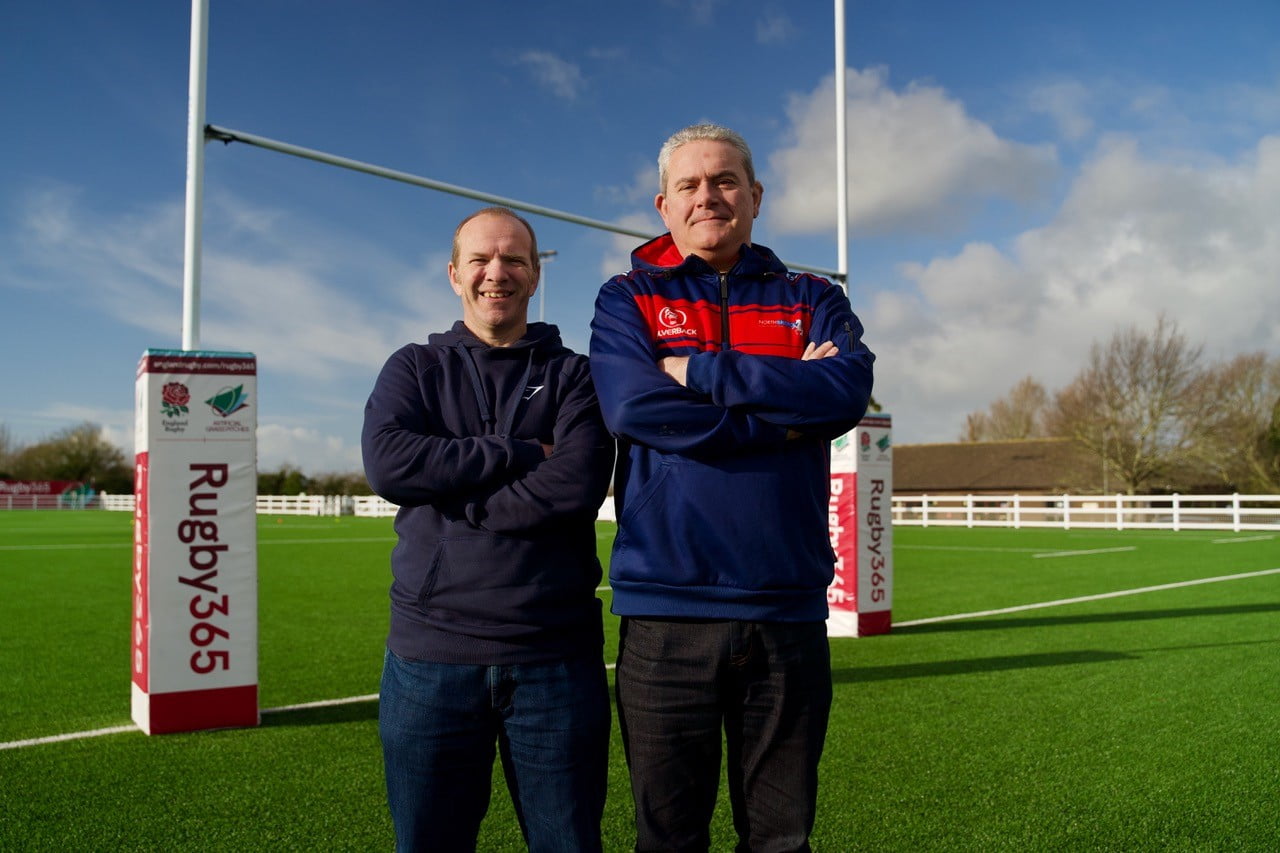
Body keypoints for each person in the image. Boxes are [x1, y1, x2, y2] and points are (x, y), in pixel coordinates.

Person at [589, 124, 876, 852]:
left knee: (781, 839)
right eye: (688, 184)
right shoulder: (628, 297)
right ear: (664, 203)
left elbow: (844, 392)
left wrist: (702, 372)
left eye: (723, 181)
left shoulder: (812, 294)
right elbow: (634, 409)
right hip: (665, 611)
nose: (707, 196)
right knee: (669, 838)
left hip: (786, 609)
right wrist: (783, 419)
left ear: (755, 195)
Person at [363, 206, 615, 853]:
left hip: (555, 659)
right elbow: (391, 463)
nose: (495, 272)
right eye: (479, 259)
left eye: (512, 260)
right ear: (454, 274)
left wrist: (451, 494)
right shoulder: (413, 368)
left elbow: (575, 489)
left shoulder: (576, 375)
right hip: (430, 659)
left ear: (535, 275)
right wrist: (520, 451)